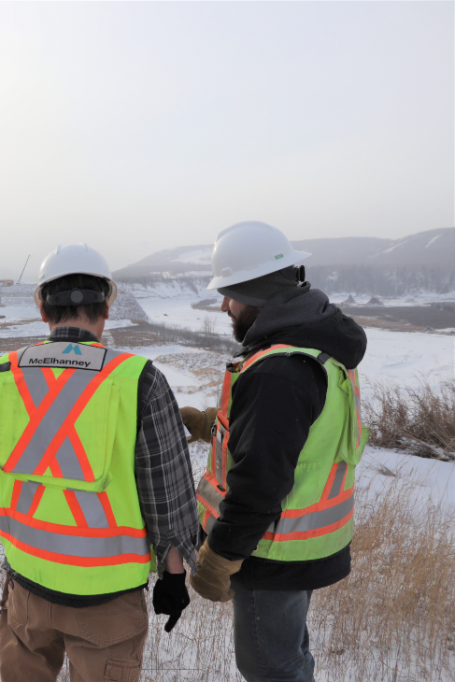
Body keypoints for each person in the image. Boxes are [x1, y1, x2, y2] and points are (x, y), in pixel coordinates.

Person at [0, 244, 199, 682]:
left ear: (42, 308)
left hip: (26, 588)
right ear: (106, 307)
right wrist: (173, 577)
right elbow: (168, 499)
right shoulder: (138, 380)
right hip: (106, 601)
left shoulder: (4, 372)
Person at [181, 221, 367, 682]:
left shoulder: (277, 370)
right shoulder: (314, 343)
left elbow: (260, 482)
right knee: (289, 659)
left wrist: (220, 557)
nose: (224, 305)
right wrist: (214, 425)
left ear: (257, 290)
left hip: (270, 552)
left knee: (269, 667)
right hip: (302, 544)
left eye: (230, 294)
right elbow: (294, 439)